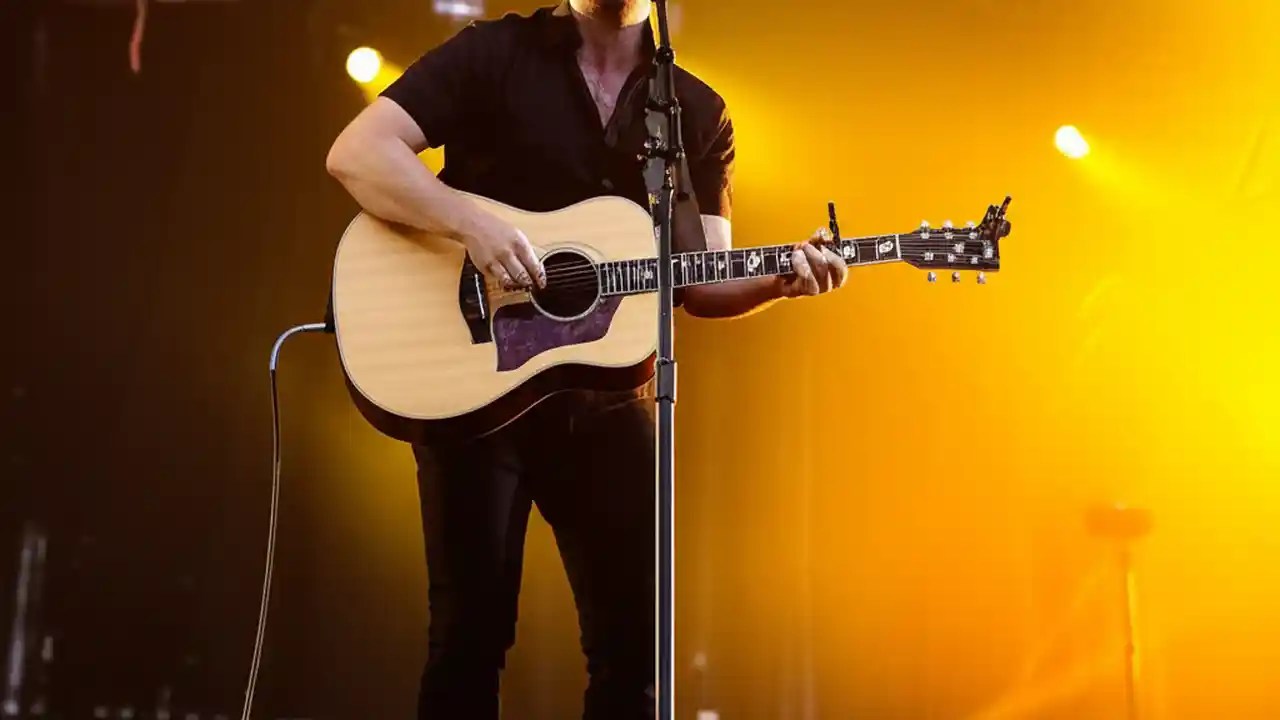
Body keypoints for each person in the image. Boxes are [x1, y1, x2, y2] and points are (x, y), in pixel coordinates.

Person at [325, 1, 847, 717]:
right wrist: (471, 221)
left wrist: (785, 277)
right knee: (468, 644)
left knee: (635, 655)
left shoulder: (692, 108)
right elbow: (357, 151)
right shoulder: (494, 54)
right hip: (474, 388)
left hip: (607, 403)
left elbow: (701, 279)